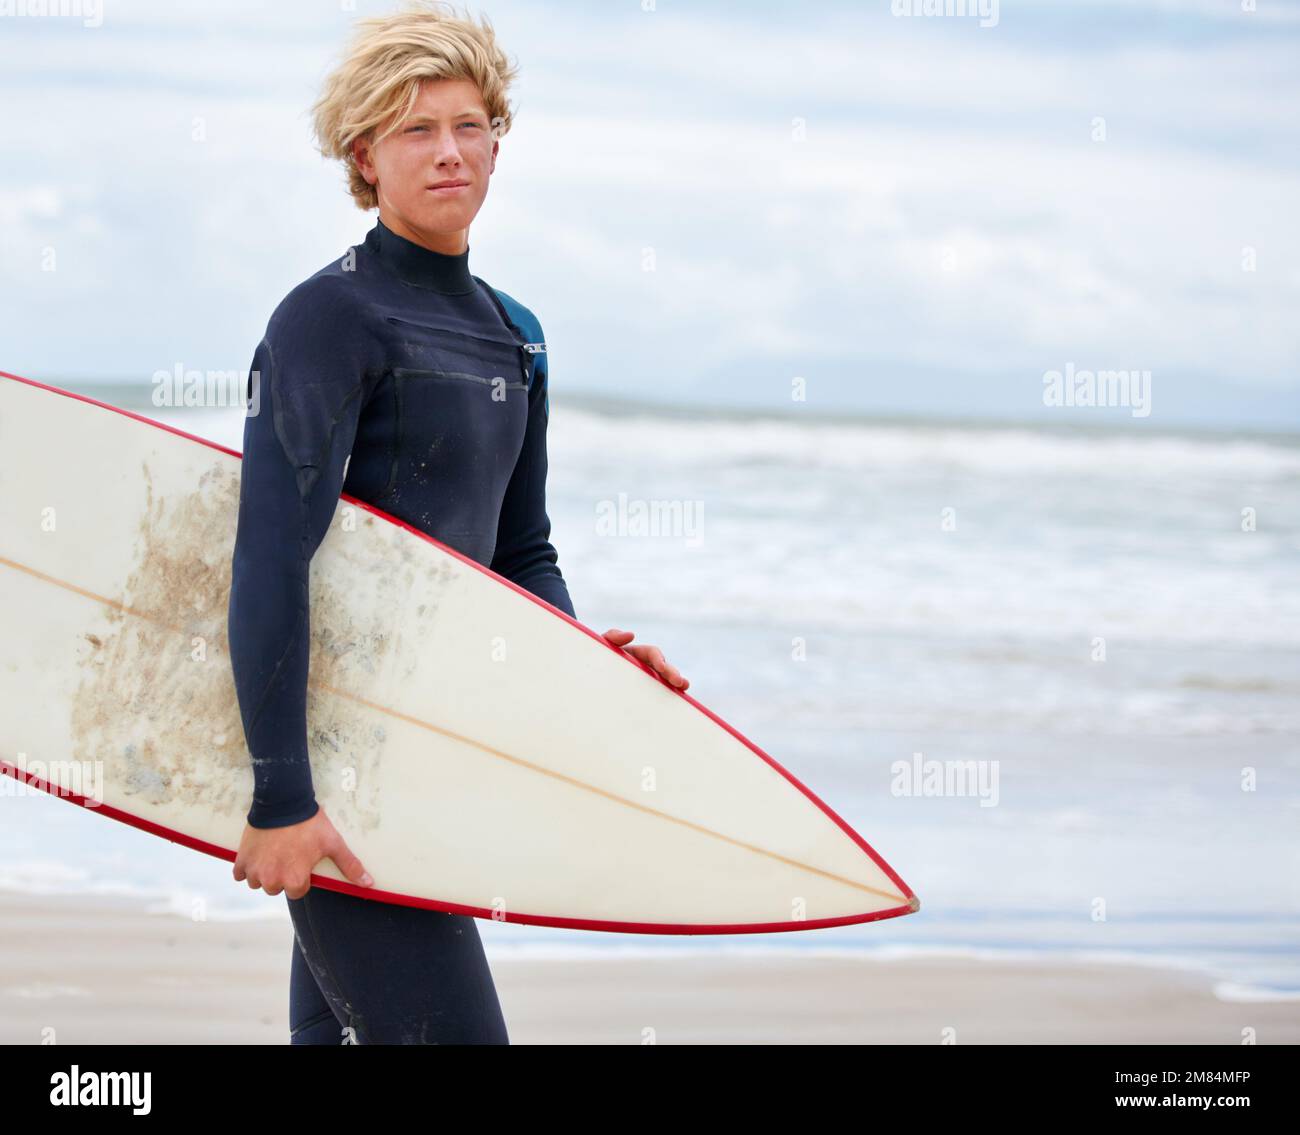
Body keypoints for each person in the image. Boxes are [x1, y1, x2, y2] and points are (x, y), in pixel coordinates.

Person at [226, 1, 688, 1045]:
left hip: (439, 755)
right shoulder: (328, 319)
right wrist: (280, 795)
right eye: (415, 130)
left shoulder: (515, 337)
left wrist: (585, 665)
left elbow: (520, 551)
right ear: (365, 159)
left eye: (469, 125)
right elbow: (268, 558)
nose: (449, 152)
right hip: (335, 770)